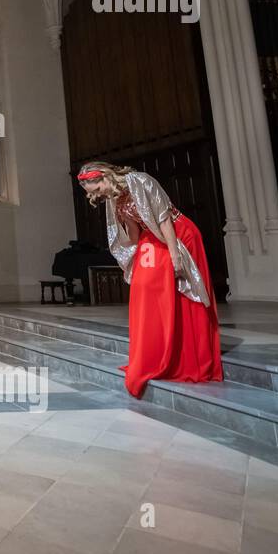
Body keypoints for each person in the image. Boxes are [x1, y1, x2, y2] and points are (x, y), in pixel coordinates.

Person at [77, 161, 224, 398]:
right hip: (152, 238)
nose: (96, 196)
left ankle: (190, 355)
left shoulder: (141, 181)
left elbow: (164, 217)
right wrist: (137, 261)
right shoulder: (116, 198)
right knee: (143, 287)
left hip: (178, 234)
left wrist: (175, 254)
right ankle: (155, 352)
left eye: (95, 190)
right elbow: (135, 232)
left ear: (104, 178)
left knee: (184, 292)